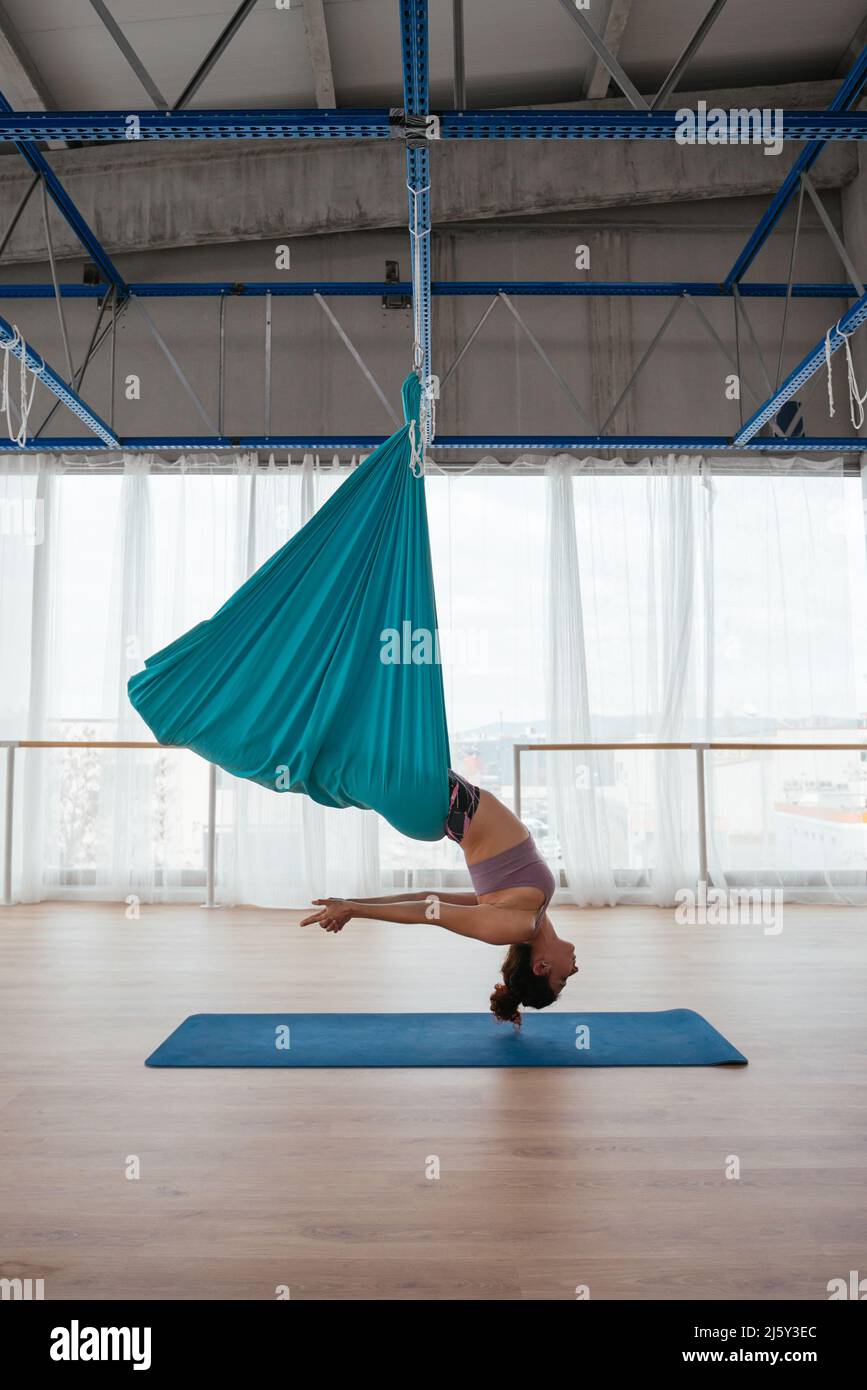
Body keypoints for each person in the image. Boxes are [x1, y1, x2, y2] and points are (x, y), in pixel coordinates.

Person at [300, 769, 578, 1026]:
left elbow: (428, 910)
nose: (574, 971)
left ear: (541, 966)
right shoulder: (531, 917)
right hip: (444, 799)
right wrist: (353, 903)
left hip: (437, 802)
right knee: (352, 760)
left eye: (564, 978)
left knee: (345, 762)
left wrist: (353, 909)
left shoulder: (516, 925)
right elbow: (427, 896)